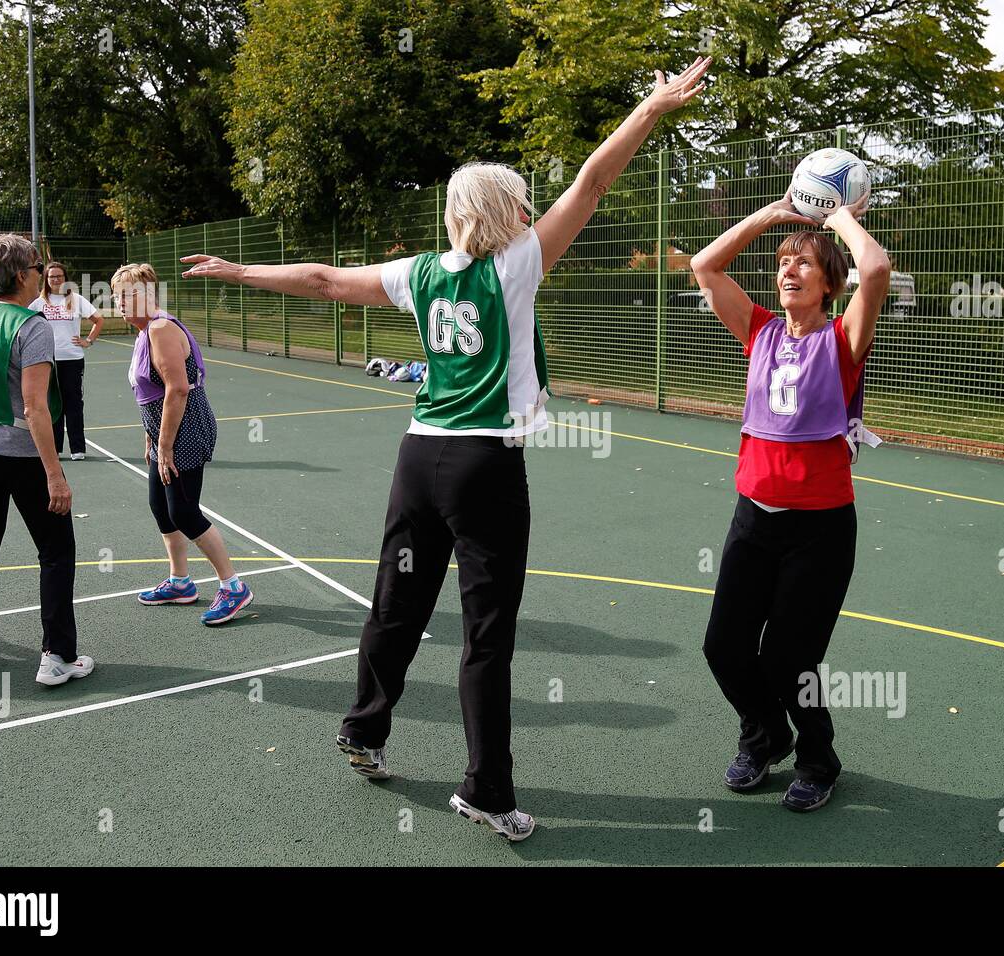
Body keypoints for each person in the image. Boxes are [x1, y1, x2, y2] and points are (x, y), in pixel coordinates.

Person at [180, 57, 712, 841]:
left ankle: (364, 728)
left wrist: (237, 269)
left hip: (417, 459)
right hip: (483, 467)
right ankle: (488, 792)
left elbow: (325, 280)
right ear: (507, 211)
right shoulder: (519, 262)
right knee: (486, 634)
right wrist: (651, 108)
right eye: (524, 201)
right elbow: (594, 183)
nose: (535, 208)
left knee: (397, 605)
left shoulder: (421, 273)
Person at [689, 185, 889, 813]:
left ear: (829, 283)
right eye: (782, 262)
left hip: (820, 530)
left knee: (788, 658)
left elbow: (876, 268)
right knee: (723, 646)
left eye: (803, 262)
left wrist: (836, 221)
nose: (789, 270)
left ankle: (818, 758)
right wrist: (772, 215)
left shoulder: (842, 344)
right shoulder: (760, 332)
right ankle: (765, 734)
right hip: (754, 521)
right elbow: (704, 265)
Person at [0, 233, 95, 686]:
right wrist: (55, 476)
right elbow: (34, 407)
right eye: (36, 265)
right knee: (55, 549)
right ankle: (58, 656)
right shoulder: (31, 328)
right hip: (19, 454)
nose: (40, 272)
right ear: (23, 275)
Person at [111, 263, 253, 626]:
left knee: (184, 512)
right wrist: (150, 437)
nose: (120, 303)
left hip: (184, 431)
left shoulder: (160, 330)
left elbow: (176, 391)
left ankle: (233, 586)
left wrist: (166, 445)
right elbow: (151, 392)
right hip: (166, 431)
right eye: (117, 297)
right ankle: (180, 582)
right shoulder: (146, 330)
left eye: (127, 296)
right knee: (161, 507)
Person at [29, 261, 103, 460]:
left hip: (72, 359)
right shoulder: (38, 302)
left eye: (59, 276)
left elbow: (98, 320)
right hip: (47, 360)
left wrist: (88, 341)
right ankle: (55, 448)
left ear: (65, 279)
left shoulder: (76, 299)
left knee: (73, 404)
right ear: (46, 279)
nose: (55, 280)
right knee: (53, 404)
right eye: (52, 276)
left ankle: (77, 449)